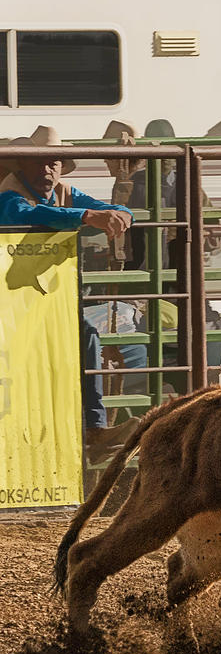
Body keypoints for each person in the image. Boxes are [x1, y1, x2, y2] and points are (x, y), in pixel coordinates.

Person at [0, 124, 139, 460]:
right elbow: (22, 215)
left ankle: (94, 430)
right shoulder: (9, 193)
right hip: (12, 300)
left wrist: (118, 214)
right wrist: (89, 216)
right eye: (41, 161)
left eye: (55, 162)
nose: (48, 169)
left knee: (87, 335)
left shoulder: (64, 192)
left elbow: (118, 211)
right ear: (23, 165)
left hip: (38, 298)